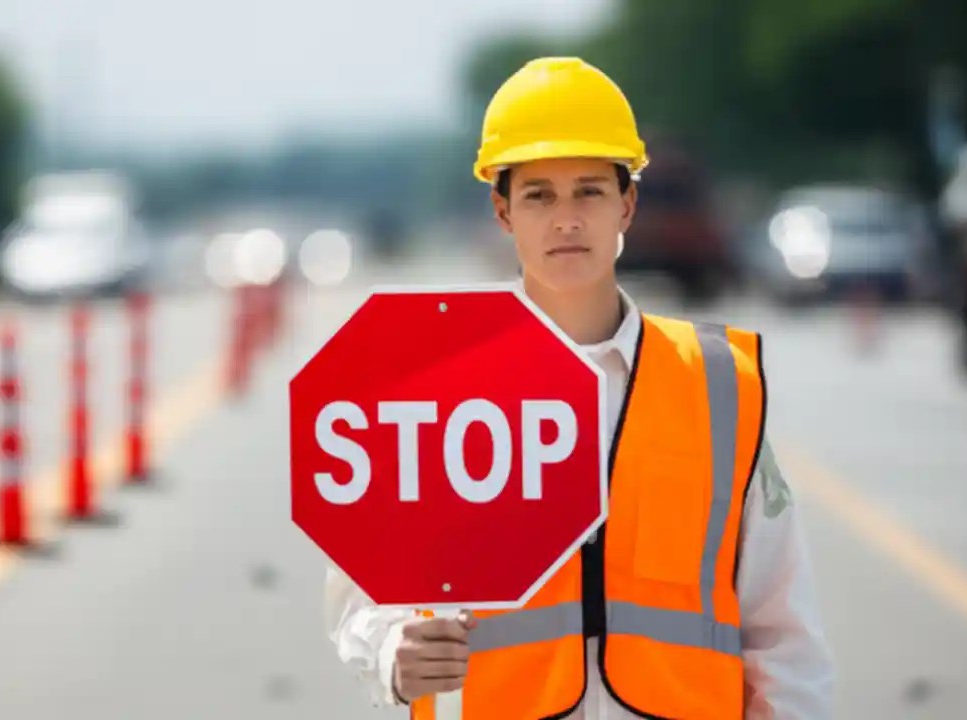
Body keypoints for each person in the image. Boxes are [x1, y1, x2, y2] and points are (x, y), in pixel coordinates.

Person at [325, 57, 834, 719]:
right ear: (502, 210)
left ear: (627, 204)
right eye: (539, 195)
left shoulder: (716, 385)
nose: (566, 219)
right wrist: (394, 649)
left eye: (589, 191)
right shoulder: (443, 388)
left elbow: (781, 628)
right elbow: (361, 591)